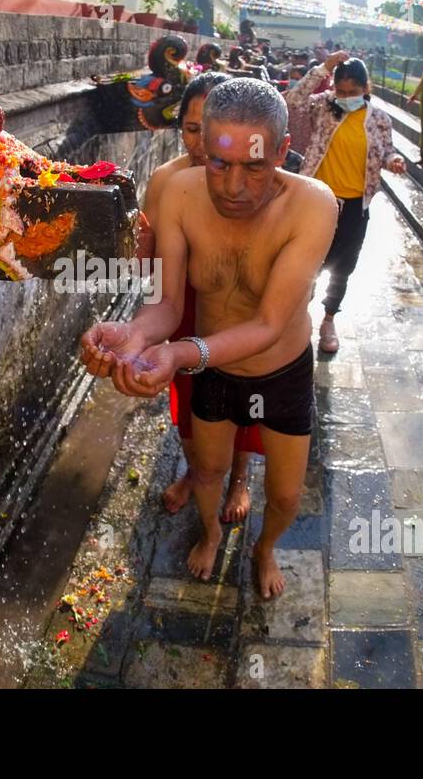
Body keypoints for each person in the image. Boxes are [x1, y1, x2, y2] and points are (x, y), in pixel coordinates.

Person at [80, 78, 338, 599]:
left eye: (255, 167)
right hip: (214, 368)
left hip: (282, 370)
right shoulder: (177, 193)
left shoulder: (314, 205)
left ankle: (264, 549)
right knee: (206, 468)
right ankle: (213, 530)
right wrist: (134, 333)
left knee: (287, 494)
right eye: (220, 164)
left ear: (283, 152)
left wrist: (178, 352)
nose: (234, 187)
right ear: (200, 147)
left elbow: (269, 324)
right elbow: (169, 305)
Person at [135, 71, 263, 523]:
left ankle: (241, 476)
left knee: (244, 392)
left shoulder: (249, 180)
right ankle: (198, 471)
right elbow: (148, 266)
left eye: (214, 132)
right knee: (190, 396)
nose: (205, 145)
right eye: (193, 130)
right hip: (182, 305)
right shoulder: (166, 181)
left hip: (238, 305)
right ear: (182, 129)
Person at [287, 53, 407, 353]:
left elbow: (386, 150)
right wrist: (324, 68)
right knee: (308, 259)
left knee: (343, 265)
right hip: (317, 198)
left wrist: (393, 160)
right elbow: (293, 100)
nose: (345, 97)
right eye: (341, 91)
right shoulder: (324, 107)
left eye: (352, 93)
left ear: (367, 88)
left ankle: (328, 319)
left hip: (355, 205)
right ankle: (298, 317)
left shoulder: (378, 119)